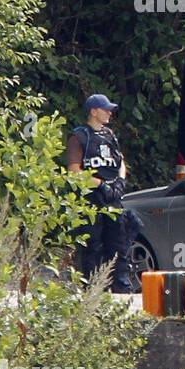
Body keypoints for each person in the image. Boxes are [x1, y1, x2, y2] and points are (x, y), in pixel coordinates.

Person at [66, 93, 133, 293]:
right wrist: (100, 184)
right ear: (94, 112)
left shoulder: (110, 135)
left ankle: (121, 287)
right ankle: (92, 289)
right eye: (106, 109)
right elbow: (74, 171)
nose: (110, 113)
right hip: (91, 200)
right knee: (92, 246)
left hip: (113, 198)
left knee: (119, 243)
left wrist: (120, 181)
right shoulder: (79, 137)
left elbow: (121, 162)